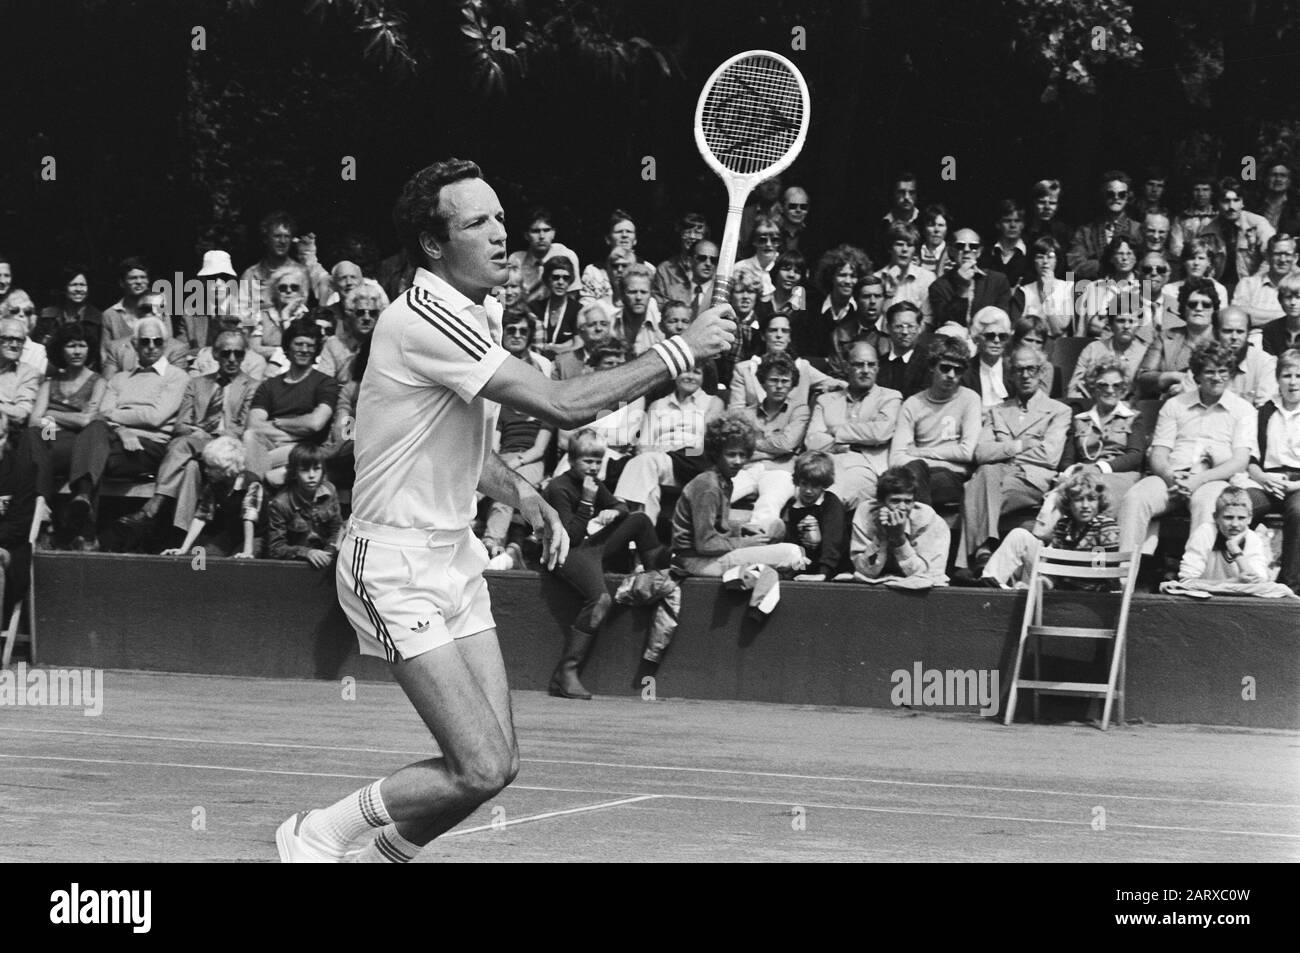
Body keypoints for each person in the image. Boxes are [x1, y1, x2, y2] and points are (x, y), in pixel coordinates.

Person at [279, 158, 735, 864]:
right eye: (476, 222)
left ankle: (373, 860)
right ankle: (318, 834)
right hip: (391, 564)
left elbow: (460, 444)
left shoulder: (477, 312)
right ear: (433, 245)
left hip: (453, 556)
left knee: (499, 764)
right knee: (480, 765)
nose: (500, 234)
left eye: (499, 216)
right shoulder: (424, 316)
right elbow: (563, 403)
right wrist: (680, 348)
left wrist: (522, 494)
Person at [541, 428, 670, 699]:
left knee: (639, 519)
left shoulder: (594, 484)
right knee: (601, 600)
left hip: (591, 547)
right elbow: (571, 537)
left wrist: (614, 510)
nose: (593, 467)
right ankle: (566, 674)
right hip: (565, 554)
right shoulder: (558, 487)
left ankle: (657, 576)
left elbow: (620, 507)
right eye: (587, 461)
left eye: (598, 461)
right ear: (572, 459)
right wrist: (588, 502)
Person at [113, 329, 259, 543]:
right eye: (226, 353)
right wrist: (197, 434)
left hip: (229, 447)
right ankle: (181, 534)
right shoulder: (197, 383)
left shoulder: (253, 386)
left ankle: (154, 508)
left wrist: (211, 433)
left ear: (244, 355)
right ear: (215, 354)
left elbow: (243, 427)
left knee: (183, 450)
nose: (232, 359)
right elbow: (181, 424)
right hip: (197, 442)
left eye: (238, 354)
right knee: (188, 462)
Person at [1117, 340, 1258, 557]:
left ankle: (1191, 578)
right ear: (1197, 375)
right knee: (1135, 498)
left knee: (1210, 504)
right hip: (1172, 478)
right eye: (1209, 371)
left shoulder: (1243, 410)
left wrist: (1198, 481)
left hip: (1213, 480)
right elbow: (1159, 453)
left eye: (1222, 371)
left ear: (1230, 374)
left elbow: (1240, 461)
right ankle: (1121, 575)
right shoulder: (1175, 405)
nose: (1216, 377)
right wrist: (1170, 476)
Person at [62, 318, 189, 549]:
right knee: (95, 434)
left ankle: (84, 518)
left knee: (91, 451)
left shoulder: (176, 376)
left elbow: (155, 417)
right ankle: (90, 532)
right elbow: (102, 414)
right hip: (116, 441)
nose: (151, 346)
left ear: (165, 344)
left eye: (157, 342)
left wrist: (117, 417)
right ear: (134, 344)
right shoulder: (119, 378)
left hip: (148, 447)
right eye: (145, 341)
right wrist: (122, 431)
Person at [960, 344, 1071, 572]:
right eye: (1019, 370)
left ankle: (970, 559)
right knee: (986, 472)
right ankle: (982, 552)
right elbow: (980, 452)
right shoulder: (998, 410)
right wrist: (1020, 446)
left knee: (975, 486)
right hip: (995, 477)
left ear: (1041, 372)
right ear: (1011, 374)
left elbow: (1049, 456)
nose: (1025, 375)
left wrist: (1002, 451)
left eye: (1031, 369)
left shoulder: (1058, 410)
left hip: (1031, 480)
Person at [670, 410, 808, 579]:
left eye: (742, 455)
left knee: (776, 528)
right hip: (696, 561)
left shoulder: (725, 481)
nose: (738, 461)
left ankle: (756, 573)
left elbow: (717, 524)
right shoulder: (708, 486)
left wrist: (742, 528)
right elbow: (704, 543)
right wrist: (745, 543)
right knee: (792, 553)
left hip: (710, 555)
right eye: (731, 454)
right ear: (716, 454)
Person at [981, 469, 1119, 589]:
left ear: (1099, 501)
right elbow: (1053, 572)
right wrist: (1037, 586)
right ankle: (987, 585)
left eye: (1091, 499)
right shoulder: (1064, 525)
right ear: (1069, 503)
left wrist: (1053, 578)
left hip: (1090, 594)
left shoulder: (1104, 526)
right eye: (1078, 500)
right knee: (1019, 535)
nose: (1085, 505)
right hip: (1061, 585)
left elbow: (1100, 572)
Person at [805, 341, 901, 509]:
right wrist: (853, 441)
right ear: (847, 367)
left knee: (838, 492)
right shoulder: (826, 400)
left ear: (878, 367)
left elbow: (880, 433)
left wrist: (836, 432)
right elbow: (812, 441)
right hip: (827, 463)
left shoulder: (890, 397)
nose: (865, 370)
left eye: (871, 365)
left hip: (865, 465)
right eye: (858, 365)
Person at [889, 335, 983, 508]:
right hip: (918, 474)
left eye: (958, 370)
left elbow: (966, 452)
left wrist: (920, 453)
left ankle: (918, 528)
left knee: (913, 480)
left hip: (952, 477)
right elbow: (896, 458)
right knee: (907, 477)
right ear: (932, 366)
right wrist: (924, 464)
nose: (951, 375)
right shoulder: (912, 404)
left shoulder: (970, 399)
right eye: (945, 368)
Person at [243, 317, 339, 482]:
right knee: (250, 436)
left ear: (316, 350)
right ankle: (258, 486)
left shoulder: (325, 383)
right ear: (288, 347)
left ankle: (253, 490)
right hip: (271, 447)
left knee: (244, 468)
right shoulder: (269, 386)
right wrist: (298, 430)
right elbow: (254, 425)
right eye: (299, 344)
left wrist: (280, 423)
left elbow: (315, 423)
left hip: (303, 450)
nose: (304, 350)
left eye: (310, 346)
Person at [24, 322, 105, 507]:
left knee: (38, 450)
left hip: (78, 447)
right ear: (61, 349)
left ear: (89, 349)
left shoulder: (97, 382)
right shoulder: (49, 383)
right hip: (49, 438)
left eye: (82, 345)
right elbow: (33, 422)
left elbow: (86, 421)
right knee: (31, 435)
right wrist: (68, 420)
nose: (77, 351)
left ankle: (42, 502)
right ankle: (40, 505)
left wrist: (51, 413)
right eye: (71, 345)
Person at [1173, 486, 1296, 598]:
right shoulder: (1205, 532)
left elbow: (1257, 582)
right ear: (1215, 517)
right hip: (1205, 599)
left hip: (1238, 599)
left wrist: (1235, 550)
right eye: (1228, 517)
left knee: (1281, 590)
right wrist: (1233, 582)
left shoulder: (1252, 538)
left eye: (1241, 518)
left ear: (1250, 519)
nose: (1235, 524)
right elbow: (1187, 581)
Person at [1245, 347, 1300, 592]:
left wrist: (1294, 485)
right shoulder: (1265, 411)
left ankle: (1289, 585)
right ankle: (1240, 575)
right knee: (1240, 504)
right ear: (1277, 378)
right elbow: (1251, 458)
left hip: (1298, 485)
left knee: (1299, 511)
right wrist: (1264, 478)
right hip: (1267, 481)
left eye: (1299, 376)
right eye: (1287, 375)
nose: (1293, 382)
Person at [159, 435, 263, 559]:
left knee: (238, 564)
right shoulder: (213, 485)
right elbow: (201, 517)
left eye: (211, 468)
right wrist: (183, 548)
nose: (206, 471)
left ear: (226, 469)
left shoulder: (251, 483)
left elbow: (249, 519)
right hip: (230, 534)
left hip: (255, 536)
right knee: (198, 559)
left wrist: (247, 552)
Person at [850, 465, 950, 587]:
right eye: (895, 501)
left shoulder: (927, 519)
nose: (902, 508)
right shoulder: (866, 512)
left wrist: (899, 540)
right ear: (881, 502)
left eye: (908, 501)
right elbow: (865, 571)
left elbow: (924, 575)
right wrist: (881, 536)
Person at [236, 210, 330, 321]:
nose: (283, 241)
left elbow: (303, 307)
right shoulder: (251, 274)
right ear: (266, 239)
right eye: (277, 236)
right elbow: (244, 314)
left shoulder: (301, 272)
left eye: (287, 236)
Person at [1136, 278, 1219, 398]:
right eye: (1192, 304)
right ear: (1184, 308)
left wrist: (1192, 386)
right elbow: (1143, 377)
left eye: (1206, 305)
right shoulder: (1165, 337)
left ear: (1213, 309)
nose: (1199, 308)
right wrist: (1175, 376)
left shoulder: (1221, 339)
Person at [265, 442, 341, 565]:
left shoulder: (329, 491)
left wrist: (328, 553)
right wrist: (306, 553)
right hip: (297, 563)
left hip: (327, 557)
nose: (312, 475)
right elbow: (276, 548)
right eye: (305, 470)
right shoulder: (280, 504)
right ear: (294, 472)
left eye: (316, 469)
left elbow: (336, 529)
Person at [783, 450, 848, 582]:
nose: (808, 490)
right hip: (806, 568)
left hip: (833, 567)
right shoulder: (793, 507)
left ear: (824, 485)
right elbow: (793, 543)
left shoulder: (830, 503)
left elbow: (833, 540)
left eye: (815, 486)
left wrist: (824, 573)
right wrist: (794, 570)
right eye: (804, 484)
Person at [929, 228, 1012, 331]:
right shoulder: (938, 286)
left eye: (973, 246)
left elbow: (1002, 321)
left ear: (979, 252)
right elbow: (948, 323)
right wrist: (962, 288)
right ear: (952, 251)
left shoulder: (998, 281)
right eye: (960, 246)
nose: (967, 250)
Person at [1067, 171, 1142, 280]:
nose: (1116, 198)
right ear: (1103, 195)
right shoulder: (1086, 232)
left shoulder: (1138, 229)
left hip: (1130, 290)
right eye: (1110, 194)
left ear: (1128, 197)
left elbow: (1145, 264)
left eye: (1121, 194)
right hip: (1095, 289)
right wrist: (1107, 265)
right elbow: (1075, 264)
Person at [506, 207, 580, 303]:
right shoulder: (516, 259)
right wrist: (502, 313)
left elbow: (572, 295)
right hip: (522, 313)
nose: (541, 236)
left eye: (546, 230)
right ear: (526, 235)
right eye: (535, 231)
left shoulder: (566, 255)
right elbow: (500, 290)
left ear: (553, 233)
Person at [1068, 307, 1145, 400]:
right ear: (1111, 324)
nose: (1126, 326)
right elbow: (1074, 389)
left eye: (1132, 321)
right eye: (1121, 321)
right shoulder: (1093, 349)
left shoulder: (1145, 354)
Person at [1231, 232, 1296, 333]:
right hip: (1254, 343)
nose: (1283, 259)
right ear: (1267, 256)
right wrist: (1289, 316)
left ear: (1295, 258)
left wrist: (1256, 314)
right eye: (1277, 254)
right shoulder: (1248, 284)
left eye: (1287, 254)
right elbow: (1238, 315)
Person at [1012, 236, 1075, 337]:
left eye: (1050, 257)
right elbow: (1017, 327)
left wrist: (1046, 296)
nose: (1045, 261)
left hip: (1058, 346)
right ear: (1033, 261)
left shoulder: (1067, 287)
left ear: (1057, 260)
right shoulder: (1023, 291)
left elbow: (1059, 329)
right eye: (1040, 257)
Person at [651, 212, 709, 308]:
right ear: (680, 234)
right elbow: (659, 306)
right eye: (687, 232)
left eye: (698, 233)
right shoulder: (665, 270)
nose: (692, 236)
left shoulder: (711, 270)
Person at [580, 210, 637, 305]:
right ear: (608, 239)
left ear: (635, 240)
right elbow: (586, 308)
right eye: (619, 232)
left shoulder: (648, 269)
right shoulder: (592, 272)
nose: (624, 235)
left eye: (629, 232)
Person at [0, 317, 42, 441]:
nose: (14, 345)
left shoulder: (29, 373)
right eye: (8, 339)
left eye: (19, 341)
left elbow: (21, 414)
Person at [978, 199, 1033, 290]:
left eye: (1017, 221)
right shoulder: (985, 252)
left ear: (1023, 224)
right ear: (998, 224)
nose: (1012, 225)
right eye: (1007, 221)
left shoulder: (1032, 253)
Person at [530, 257, 581, 355]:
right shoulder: (535, 307)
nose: (560, 282)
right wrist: (566, 345)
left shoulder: (577, 310)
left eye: (566, 278)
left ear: (570, 281)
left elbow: (578, 345)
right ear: (547, 279)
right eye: (555, 277)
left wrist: (556, 350)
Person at [1262, 272, 1300, 357]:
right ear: (1280, 300)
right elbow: (1268, 363)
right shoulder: (1270, 329)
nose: (1293, 303)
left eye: (1298, 297)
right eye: (1288, 297)